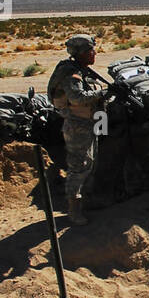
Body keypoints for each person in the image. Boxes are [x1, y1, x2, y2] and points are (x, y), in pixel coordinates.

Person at [47, 34, 107, 225]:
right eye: (90, 50)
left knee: (91, 162)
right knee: (79, 166)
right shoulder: (70, 73)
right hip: (78, 125)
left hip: (92, 121)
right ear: (80, 53)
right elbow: (77, 98)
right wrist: (103, 93)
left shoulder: (83, 71)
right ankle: (74, 210)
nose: (94, 53)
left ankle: (89, 201)